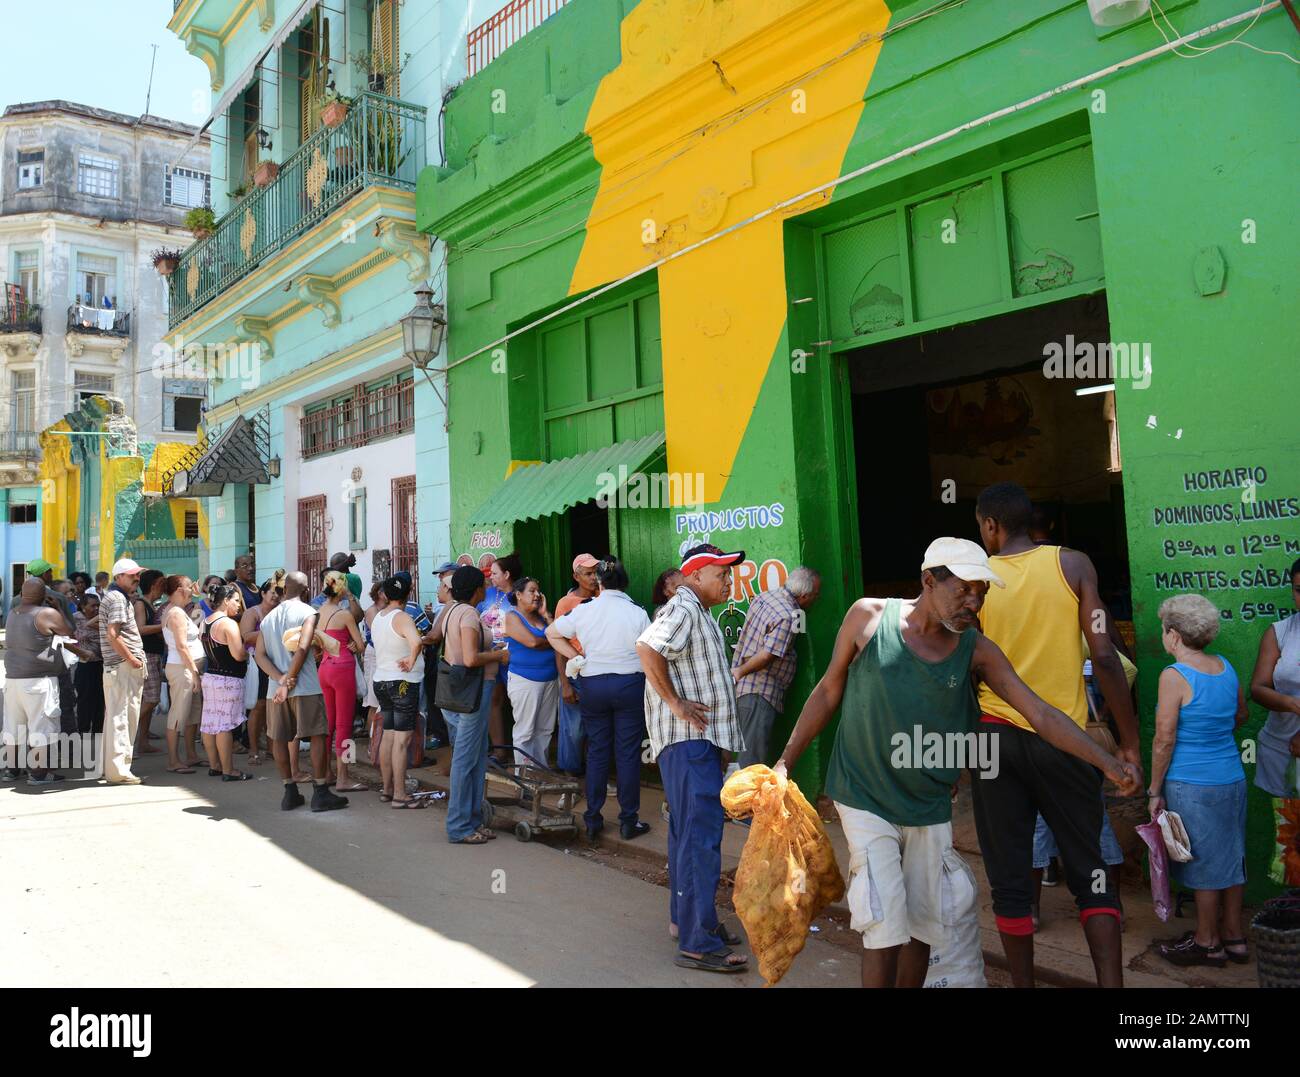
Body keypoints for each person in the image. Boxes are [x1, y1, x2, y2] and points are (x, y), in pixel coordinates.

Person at [776, 537, 1141, 988]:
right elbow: (829, 689)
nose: (975, 602)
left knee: (923, 926)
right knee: (885, 921)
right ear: (929, 581)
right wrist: (786, 761)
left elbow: (1041, 714)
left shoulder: (977, 650)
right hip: (864, 793)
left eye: (982, 593)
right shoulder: (868, 617)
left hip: (928, 801)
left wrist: (1106, 761)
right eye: (964, 590)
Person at [973, 482, 1143, 988]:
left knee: (1009, 881)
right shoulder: (1074, 566)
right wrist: (1128, 743)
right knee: (1090, 869)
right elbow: (1106, 655)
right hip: (1065, 741)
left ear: (991, 526)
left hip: (994, 743)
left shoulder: (974, 580)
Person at [636, 544, 748, 972]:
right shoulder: (682, 608)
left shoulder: (697, 612)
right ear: (697, 575)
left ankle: (689, 923)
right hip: (687, 741)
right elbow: (647, 649)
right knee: (699, 838)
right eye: (721, 574)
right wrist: (676, 703)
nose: (728, 581)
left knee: (688, 836)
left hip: (696, 744)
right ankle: (698, 942)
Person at [1148, 594, 1249, 967]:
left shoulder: (1173, 676)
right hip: (1231, 778)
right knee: (1232, 857)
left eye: (1163, 629)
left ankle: (1208, 942)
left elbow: (1164, 738)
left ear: (1173, 635)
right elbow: (1241, 714)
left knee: (1204, 863)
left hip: (1192, 783)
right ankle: (1234, 936)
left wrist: (1154, 790)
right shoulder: (1225, 666)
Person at [549, 557, 651, 840]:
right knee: (628, 755)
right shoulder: (637, 612)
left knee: (597, 751)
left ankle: (593, 818)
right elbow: (648, 650)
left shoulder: (585, 611)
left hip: (592, 684)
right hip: (629, 685)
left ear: (600, 582)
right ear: (625, 582)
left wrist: (577, 656)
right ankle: (629, 821)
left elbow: (551, 633)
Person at [254, 571, 348, 812]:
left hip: (276, 689)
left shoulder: (268, 618)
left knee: (280, 738)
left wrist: (279, 679)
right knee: (317, 734)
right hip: (303, 685)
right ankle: (320, 792)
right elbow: (303, 646)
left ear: (284, 590)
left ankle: (289, 791)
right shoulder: (308, 612)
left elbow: (260, 655)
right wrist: (289, 680)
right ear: (306, 591)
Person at [730, 566, 821, 769]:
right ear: (805, 596)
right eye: (816, 595)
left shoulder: (766, 597)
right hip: (759, 693)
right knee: (752, 763)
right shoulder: (789, 615)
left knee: (746, 755)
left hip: (745, 691)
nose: (817, 598)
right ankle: (745, 801)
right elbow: (767, 655)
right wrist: (740, 671)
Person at [440, 565, 504, 844]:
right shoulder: (467, 614)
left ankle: (472, 819)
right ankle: (459, 826)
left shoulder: (451, 610)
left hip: (464, 691)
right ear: (478, 589)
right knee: (465, 760)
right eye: (484, 585)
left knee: (476, 758)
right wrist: (500, 656)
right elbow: (469, 659)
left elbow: (433, 638)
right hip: (473, 691)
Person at [1, 578, 72, 784]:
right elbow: (68, 631)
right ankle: (39, 774)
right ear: (44, 595)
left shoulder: (13, 614)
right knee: (41, 728)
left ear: (22, 594)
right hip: (38, 681)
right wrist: (58, 608)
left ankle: (12, 770)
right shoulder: (46, 613)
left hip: (13, 680)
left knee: (13, 728)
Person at [1249, 558, 1300, 829]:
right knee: (1290, 845)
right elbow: (1257, 689)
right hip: (1280, 749)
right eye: (1299, 590)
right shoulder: (1280, 632)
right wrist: (1291, 703)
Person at [372, 575, 427, 808]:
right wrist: (411, 659)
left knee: (389, 735)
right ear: (408, 594)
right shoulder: (403, 617)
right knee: (402, 740)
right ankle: (400, 794)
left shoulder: (378, 617)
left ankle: (387, 789)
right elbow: (416, 642)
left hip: (382, 681)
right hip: (402, 683)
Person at [317, 570, 366, 792]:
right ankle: (343, 777)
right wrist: (356, 646)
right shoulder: (344, 614)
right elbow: (360, 644)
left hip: (324, 668)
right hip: (343, 668)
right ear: (342, 588)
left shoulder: (318, 612)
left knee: (328, 724)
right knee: (345, 725)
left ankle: (325, 772)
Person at [200, 582, 254, 782]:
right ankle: (228, 770)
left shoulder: (205, 621)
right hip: (228, 679)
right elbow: (238, 655)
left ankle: (215, 766)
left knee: (210, 723)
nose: (239, 605)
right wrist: (247, 650)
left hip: (211, 677)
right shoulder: (228, 624)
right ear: (225, 601)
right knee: (225, 726)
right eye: (236, 601)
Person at [98, 558, 146, 785]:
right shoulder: (117, 598)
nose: (137, 578)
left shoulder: (117, 597)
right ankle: (118, 772)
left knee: (118, 717)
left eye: (137, 574)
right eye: (131, 575)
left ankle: (112, 769)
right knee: (122, 719)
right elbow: (112, 634)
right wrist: (132, 659)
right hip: (122, 666)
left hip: (119, 666)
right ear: (119, 577)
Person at [503, 576, 559, 768]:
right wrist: (552, 640)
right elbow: (532, 642)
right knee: (525, 731)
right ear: (518, 595)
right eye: (532, 591)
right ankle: (525, 777)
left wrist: (547, 615)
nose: (537, 595)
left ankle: (540, 771)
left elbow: (559, 635)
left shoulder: (541, 617)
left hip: (550, 678)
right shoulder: (512, 617)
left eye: (538, 591)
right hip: (524, 679)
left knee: (544, 730)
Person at [551, 554, 599, 775]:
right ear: (576, 576)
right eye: (588, 573)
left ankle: (595, 775)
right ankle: (570, 777)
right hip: (575, 674)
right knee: (573, 729)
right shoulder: (566, 603)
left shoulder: (604, 598)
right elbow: (559, 646)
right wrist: (565, 684)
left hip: (599, 674)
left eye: (596, 572)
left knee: (596, 729)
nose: (593, 577)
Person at [480, 553, 522, 763]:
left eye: (495, 573)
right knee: (493, 700)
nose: (491, 576)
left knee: (518, 703)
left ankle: (522, 752)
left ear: (507, 574)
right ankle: (499, 751)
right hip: (492, 656)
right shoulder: (487, 594)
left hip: (514, 656)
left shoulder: (522, 594)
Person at [161, 576, 206, 773]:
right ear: (179, 589)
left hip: (188, 667)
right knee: (178, 714)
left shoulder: (178, 610)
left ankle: (191, 754)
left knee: (192, 714)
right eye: (189, 586)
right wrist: (194, 673)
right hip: (183, 669)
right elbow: (181, 645)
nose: (192, 588)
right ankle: (173, 760)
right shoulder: (176, 613)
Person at [240, 572, 284, 769]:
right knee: (257, 707)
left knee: (272, 706)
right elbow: (246, 636)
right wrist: (269, 631)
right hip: (257, 663)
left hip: (275, 662)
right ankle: (253, 749)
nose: (275, 596)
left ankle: (271, 748)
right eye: (272, 592)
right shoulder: (253, 612)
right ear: (264, 593)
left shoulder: (280, 612)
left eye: (278, 593)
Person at [132, 569, 167, 759]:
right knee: (151, 699)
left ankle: (143, 742)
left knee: (150, 701)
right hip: (146, 655)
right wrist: (165, 625)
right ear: (154, 585)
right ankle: (127, 734)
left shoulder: (150, 604)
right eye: (162, 582)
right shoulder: (140, 603)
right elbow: (140, 629)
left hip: (153, 654)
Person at [73, 593, 105, 740]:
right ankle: (83, 730)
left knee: (100, 699)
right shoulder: (76, 618)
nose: (96, 608)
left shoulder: (103, 618)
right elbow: (78, 636)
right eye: (92, 605)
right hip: (85, 665)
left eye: (98, 605)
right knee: (85, 699)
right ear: (83, 607)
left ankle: (98, 730)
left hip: (101, 663)